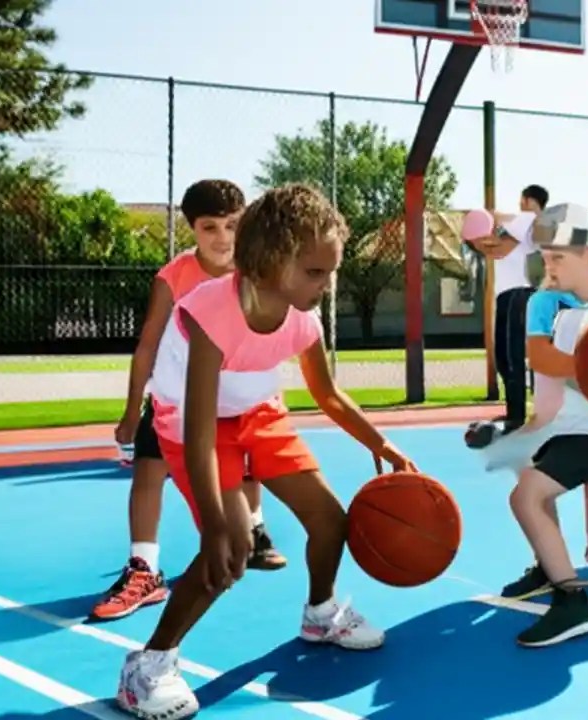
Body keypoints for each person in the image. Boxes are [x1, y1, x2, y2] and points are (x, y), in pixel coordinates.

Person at [116, 184, 417, 720]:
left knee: (330, 519)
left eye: (330, 272)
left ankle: (321, 613)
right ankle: (148, 666)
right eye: (315, 273)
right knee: (226, 549)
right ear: (271, 261)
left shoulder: (303, 319)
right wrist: (215, 522)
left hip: (258, 412)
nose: (326, 286)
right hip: (190, 423)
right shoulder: (208, 310)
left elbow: (327, 394)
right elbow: (202, 427)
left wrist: (382, 443)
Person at [95, 180, 286, 622]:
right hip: (173, 396)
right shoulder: (174, 277)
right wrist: (129, 411)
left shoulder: (256, 271)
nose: (222, 237)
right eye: (210, 228)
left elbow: (269, 336)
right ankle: (144, 568)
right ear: (192, 229)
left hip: (235, 394)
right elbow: (147, 344)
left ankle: (254, 531)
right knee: (149, 470)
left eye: (232, 226)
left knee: (246, 466)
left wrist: (270, 393)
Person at [471, 202, 588, 646]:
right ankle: (550, 567)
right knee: (516, 469)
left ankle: (572, 601)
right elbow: (545, 362)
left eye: (557, 259)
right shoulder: (556, 306)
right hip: (566, 424)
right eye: (544, 259)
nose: (548, 267)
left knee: (527, 496)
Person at [464, 207, 541, 435]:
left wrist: (502, 220)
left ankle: (519, 418)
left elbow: (534, 224)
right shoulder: (496, 243)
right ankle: (515, 412)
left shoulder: (516, 226)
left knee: (513, 356)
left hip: (522, 292)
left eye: (477, 243)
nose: (480, 249)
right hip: (506, 296)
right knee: (503, 359)